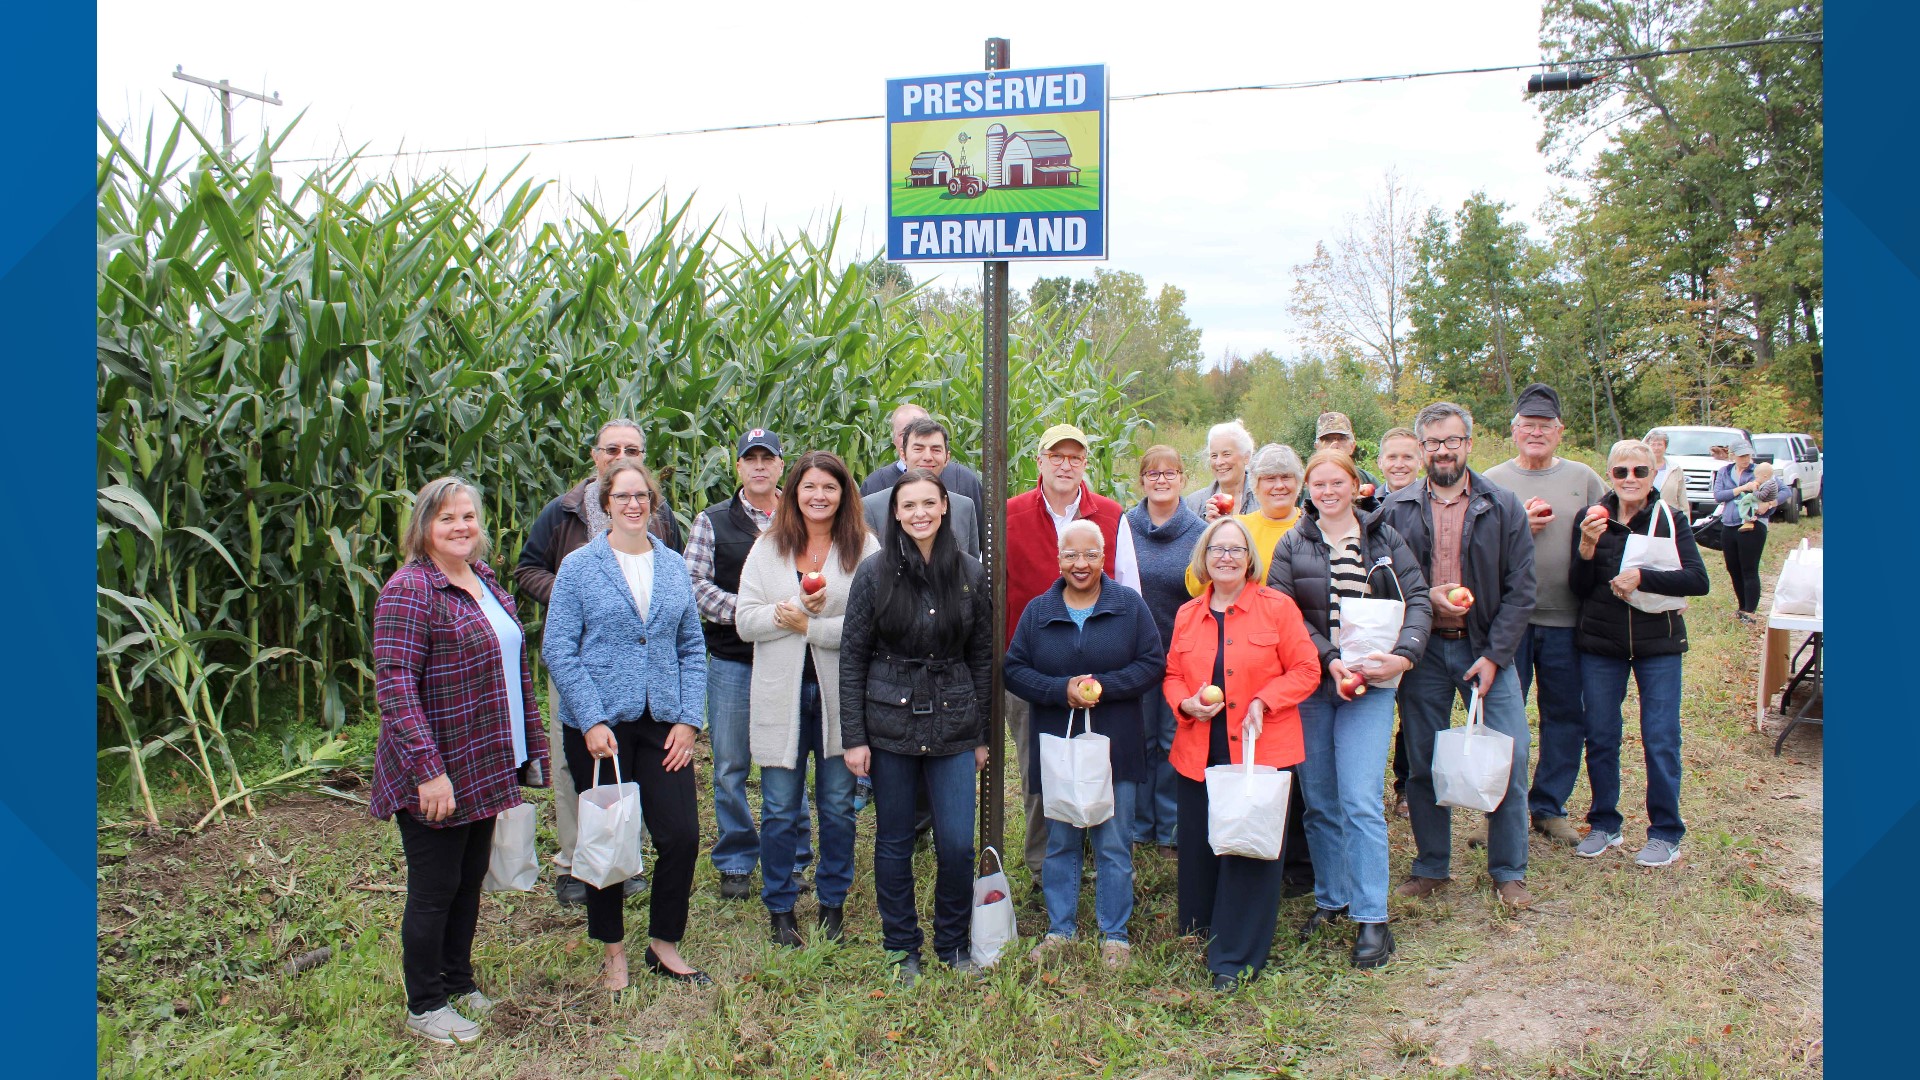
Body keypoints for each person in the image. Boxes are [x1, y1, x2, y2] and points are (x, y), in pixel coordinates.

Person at [372, 477, 550, 1044]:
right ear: (424, 526)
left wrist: (530, 751)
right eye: (447, 518)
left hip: (484, 758)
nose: (461, 528)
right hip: (438, 767)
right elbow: (395, 688)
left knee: (469, 879)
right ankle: (424, 1004)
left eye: (469, 517)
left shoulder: (484, 582)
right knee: (435, 886)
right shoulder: (410, 590)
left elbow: (513, 668)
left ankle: (457, 979)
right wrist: (428, 769)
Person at [543, 460, 710, 989]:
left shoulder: (673, 565)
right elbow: (559, 649)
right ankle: (613, 950)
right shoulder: (579, 566)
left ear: (653, 504)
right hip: (600, 727)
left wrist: (689, 721)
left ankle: (664, 944)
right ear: (605, 503)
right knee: (608, 840)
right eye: (622, 496)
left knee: (681, 836)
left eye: (642, 496)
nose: (633, 504)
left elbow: (691, 647)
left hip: (662, 721)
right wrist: (590, 719)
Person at [1267, 450, 1431, 969]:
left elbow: (1419, 601)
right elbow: (1284, 613)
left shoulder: (1384, 538)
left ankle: (1372, 918)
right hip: (1316, 684)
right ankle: (1331, 898)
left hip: (1373, 682)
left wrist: (1402, 656)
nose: (1328, 491)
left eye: (1337, 482)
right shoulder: (1294, 543)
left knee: (1359, 799)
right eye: (1318, 483)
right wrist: (1330, 660)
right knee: (1318, 800)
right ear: (1307, 490)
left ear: (1356, 484)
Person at [1380, 402, 1540, 911]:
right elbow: (1385, 583)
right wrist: (1429, 595)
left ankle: (1508, 869)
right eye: (1433, 443)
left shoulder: (1503, 505)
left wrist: (1496, 656)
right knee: (1425, 761)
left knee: (1509, 759)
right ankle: (1431, 865)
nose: (1442, 451)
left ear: (1469, 444)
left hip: (1485, 648)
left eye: (1452, 441)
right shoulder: (1396, 509)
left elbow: (1521, 590)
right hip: (1423, 652)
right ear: (1422, 449)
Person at [839, 469, 994, 984]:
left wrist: (982, 735)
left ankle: (952, 942)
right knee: (894, 839)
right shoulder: (873, 573)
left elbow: (981, 658)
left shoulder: (971, 573)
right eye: (910, 506)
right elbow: (853, 657)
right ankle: (900, 946)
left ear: (946, 507)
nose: (920, 513)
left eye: (930, 503)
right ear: (895, 513)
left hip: (953, 719)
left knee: (956, 843)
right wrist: (855, 736)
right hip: (889, 719)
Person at [514, 418, 671, 905]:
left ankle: (627, 855)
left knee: (638, 764)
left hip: (643, 668)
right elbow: (527, 568)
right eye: (611, 448)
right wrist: (566, 595)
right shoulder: (562, 512)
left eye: (633, 448)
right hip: (581, 657)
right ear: (594, 455)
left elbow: (674, 578)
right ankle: (575, 859)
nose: (621, 454)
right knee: (575, 764)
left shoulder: (658, 517)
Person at [1163, 516, 1322, 990]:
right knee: (1201, 843)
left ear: (1250, 558)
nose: (1226, 557)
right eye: (1217, 550)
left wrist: (1263, 699)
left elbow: (1306, 669)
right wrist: (1185, 703)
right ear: (1203, 559)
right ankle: (1202, 929)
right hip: (1200, 745)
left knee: (1248, 846)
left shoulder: (1277, 608)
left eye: (1235, 550)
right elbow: (1172, 674)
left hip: (1259, 746)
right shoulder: (1189, 613)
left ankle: (1235, 957)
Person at [1005, 520, 1166, 970]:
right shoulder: (1039, 611)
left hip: (1117, 743)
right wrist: (1061, 690)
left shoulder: (1128, 607)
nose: (1081, 564)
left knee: (1114, 841)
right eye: (1071, 555)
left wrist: (1102, 686)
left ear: (1104, 557)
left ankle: (1114, 933)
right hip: (1059, 742)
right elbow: (1014, 670)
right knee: (1061, 838)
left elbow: (1152, 664)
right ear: (1059, 560)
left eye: (1090, 555)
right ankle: (1060, 929)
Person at [736, 450, 880, 945]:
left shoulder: (863, 548)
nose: (819, 496)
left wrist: (812, 628)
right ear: (794, 492)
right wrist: (792, 610)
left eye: (830, 487)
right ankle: (780, 905)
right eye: (809, 487)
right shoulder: (769, 547)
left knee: (838, 804)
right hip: (782, 693)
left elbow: (873, 626)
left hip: (840, 693)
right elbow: (744, 620)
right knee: (779, 806)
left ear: (844, 494)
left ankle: (832, 902)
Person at [1003, 423, 1140, 877]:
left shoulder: (1111, 514)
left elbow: (1130, 588)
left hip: (1104, 673)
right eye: (1055, 456)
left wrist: (1120, 670)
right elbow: (993, 592)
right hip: (1036, 675)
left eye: (1075, 457)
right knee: (1042, 769)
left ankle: (1103, 860)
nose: (1065, 464)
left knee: (1105, 764)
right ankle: (1048, 865)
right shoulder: (1009, 515)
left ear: (1085, 464)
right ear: (1038, 462)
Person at [1570, 439, 1711, 867]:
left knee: (1661, 736)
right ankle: (1605, 823)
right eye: (1621, 471)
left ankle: (1665, 832)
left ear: (1654, 474)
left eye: (1640, 471)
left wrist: (1642, 577)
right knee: (1600, 732)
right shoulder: (1592, 518)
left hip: (1659, 642)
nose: (1630, 479)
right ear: (1609, 474)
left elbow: (1697, 580)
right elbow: (1578, 587)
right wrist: (1587, 549)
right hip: (1601, 642)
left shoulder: (1670, 518)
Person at [686, 428, 810, 902]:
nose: (759, 466)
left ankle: (796, 856)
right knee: (732, 763)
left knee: (788, 755)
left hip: (790, 659)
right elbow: (694, 582)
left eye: (768, 459)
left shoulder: (800, 517)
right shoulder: (713, 521)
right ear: (737, 467)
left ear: (781, 466)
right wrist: (750, 615)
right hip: (735, 661)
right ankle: (736, 857)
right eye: (750, 459)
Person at [1483, 384, 1608, 849]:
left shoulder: (1584, 479)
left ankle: (1548, 805)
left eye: (1545, 427)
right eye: (1527, 426)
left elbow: (1608, 536)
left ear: (1560, 433)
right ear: (1513, 431)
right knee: (1501, 717)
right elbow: (1474, 549)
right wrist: (1518, 530)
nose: (1536, 433)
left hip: (1568, 617)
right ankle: (1494, 807)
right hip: (1508, 621)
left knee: (1564, 716)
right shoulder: (1493, 481)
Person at [1124, 445, 1209, 856]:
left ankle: (1170, 827)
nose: (1161, 480)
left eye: (1169, 472)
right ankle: (1140, 825)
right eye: (1152, 473)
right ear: (1141, 481)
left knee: (1174, 737)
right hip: (1135, 650)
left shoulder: (1199, 532)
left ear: (1183, 478)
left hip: (1182, 652)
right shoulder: (1125, 526)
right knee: (1140, 736)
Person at [1377, 426, 1425, 818]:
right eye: (1392, 457)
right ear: (1379, 463)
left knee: (1412, 713)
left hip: (1416, 619)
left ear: (1421, 460)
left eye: (1407, 456)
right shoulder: (1367, 503)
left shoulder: (1429, 505)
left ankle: (1407, 787)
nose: (1399, 463)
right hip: (1374, 624)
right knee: (1376, 708)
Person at [862, 403, 986, 549]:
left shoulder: (965, 504)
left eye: (935, 449)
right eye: (918, 449)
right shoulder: (872, 504)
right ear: (902, 453)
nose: (927, 457)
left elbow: (974, 560)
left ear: (947, 457)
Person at [1184, 443, 1305, 592]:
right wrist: (1215, 533)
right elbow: (1196, 588)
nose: (1279, 485)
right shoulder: (1237, 528)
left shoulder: (1312, 526)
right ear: (1256, 485)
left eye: (1286, 477)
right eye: (1270, 478)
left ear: (1298, 482)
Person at [1711, 440, 1769, 622]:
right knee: (1733, 568)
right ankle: (1742, 607)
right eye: (1742, 456)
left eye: (1748, 455)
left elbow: (1783, 491)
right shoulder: (1724, 472)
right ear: (1732, 455)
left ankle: (1750, 611)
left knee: (1749, 568)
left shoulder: (1759, 471)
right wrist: (1742, 488)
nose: (1746, 459)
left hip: (1752, 523)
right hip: (1729, 523)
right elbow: (1719, 495)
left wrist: (1769, 503)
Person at [1298, 412, 1381, 508]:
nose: (1335, 445)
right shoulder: (1302, 485)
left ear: (1352, 446)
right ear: (1317, 447)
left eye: (1342, 439)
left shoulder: (1368, 480)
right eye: (1328, 439)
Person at [1185, 418, 1258, 520]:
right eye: (1214, 456)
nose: (1219, 462)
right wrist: (1208, 528)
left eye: (1226, 454)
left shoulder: (1262, 499)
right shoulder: (1193, 504)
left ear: (1246, 457)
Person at [1648, 432, 1686, 508]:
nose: (1656, 448)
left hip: (1670, 514)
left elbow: (1682, 498)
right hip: (1646, 514)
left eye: (1659, 444)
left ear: (1665, 447)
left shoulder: (1675, 468)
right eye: (1653, 444)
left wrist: (1685, 518)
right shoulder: (1641, 468)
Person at [1737, 462, 1779, 530]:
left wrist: (1755, 489)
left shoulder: (1768, 485)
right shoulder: (1771, 482)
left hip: (1763, 500)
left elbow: (1760, 496)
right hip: (1765, 499)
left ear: (1765, 476)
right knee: (1749, 498)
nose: (1756, 479)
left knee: (1749, 498)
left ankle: (1744, 515)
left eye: (1757, 477)